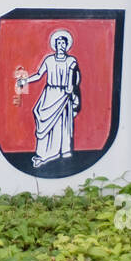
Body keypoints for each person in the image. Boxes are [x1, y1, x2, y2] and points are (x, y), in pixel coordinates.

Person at [18, 29, 81, 168]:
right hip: (50, 94)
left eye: (63, 43)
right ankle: (42, 153)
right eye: (58, 42)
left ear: (66, 45)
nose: (60, 45)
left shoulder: (71, 61)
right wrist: (25, 81)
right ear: (55, 44)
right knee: (40, 116)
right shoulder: (49, 60)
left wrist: (70, 89)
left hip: (63, 95)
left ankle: (58, 153)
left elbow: (73, 79)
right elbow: (39, 75)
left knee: (60, 124)